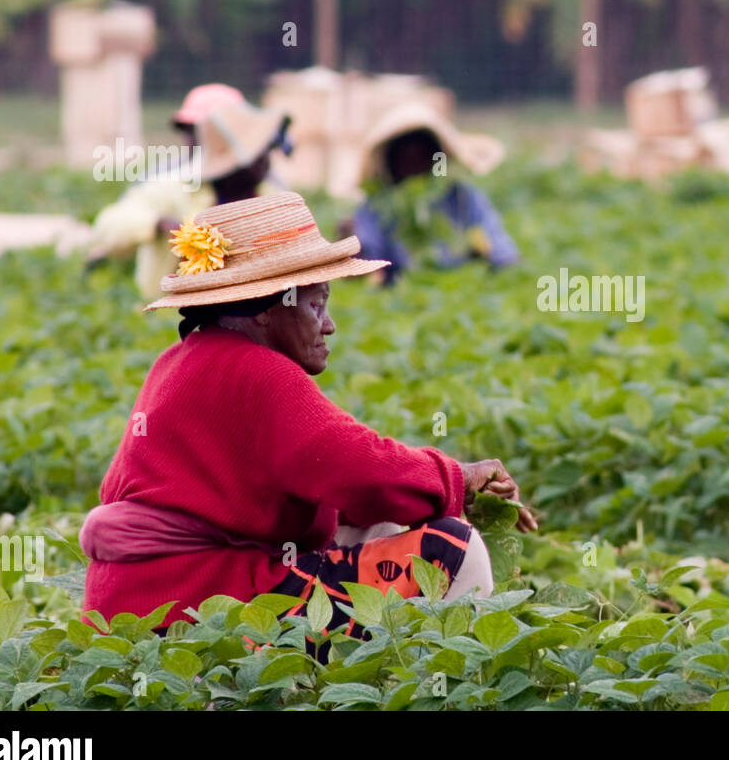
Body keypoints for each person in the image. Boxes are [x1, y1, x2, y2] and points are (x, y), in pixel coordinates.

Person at [80, 190, 537, 648]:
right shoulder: (260, 373)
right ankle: (447, 679)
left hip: (126, 611)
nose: (329, 324)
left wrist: (437, 491)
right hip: (199, 607)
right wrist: (456, 478)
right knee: (452, 549)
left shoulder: (178, 361)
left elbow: (334, 483)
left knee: (370, 528)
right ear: (262, 310)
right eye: (315, 304)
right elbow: (358, 469)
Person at [86, 91, 291, 299]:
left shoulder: (274, 196)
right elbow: (108, 225)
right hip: (171, 312)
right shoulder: (171, 186)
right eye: (191, 132)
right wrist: (157, 223)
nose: (192, 140)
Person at [345, 103, 519, 284]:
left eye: (421, 158)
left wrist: (482, 254)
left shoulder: (463, 199)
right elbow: (366, 266)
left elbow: (504, 255)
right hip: (404, 295)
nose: (414, 170)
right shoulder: (377, 207)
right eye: (406, 160)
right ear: (391, 164)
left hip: (461, 289)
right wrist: (350, 249)